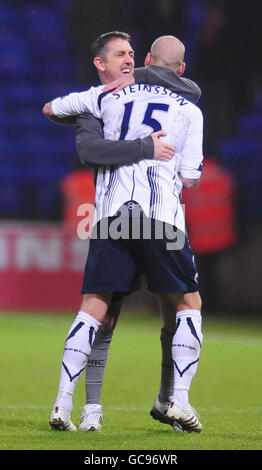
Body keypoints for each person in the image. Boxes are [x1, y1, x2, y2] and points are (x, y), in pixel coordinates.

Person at [43, 32, 204, 433]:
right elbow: (190, 178)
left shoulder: (106, 97)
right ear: (181, 70)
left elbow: (50, 108)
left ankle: (64, 403)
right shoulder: (191, 110)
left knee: (95, 307)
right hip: (163, 219)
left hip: (112, 217)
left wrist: (102, 100)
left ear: (146, 60)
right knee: (187, 304)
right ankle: (178, 401)